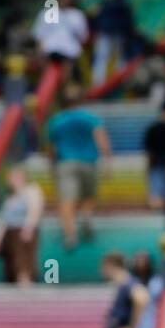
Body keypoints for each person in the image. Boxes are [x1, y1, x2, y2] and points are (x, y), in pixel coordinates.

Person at [46, 84, 111, 250]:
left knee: (67, 200)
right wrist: (107, 160)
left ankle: (70, 234)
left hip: (66, 163)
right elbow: (101, 140)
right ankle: (87, 217)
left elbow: (51, 148)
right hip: (88, 162)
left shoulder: (56, 121)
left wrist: (52, 165)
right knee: (89, 196)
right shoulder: (90, 118)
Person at [0, 166, 44, 285]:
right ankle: (13, 282)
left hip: (22, 231)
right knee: (10, 263)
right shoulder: (9, 198)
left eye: (16, 177)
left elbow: (34, 210)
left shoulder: (31, 190)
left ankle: (25, 281)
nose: (13, 180)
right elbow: (3, 220)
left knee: (22, 259)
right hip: (10, 232)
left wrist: (28, 227)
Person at [32, 0, 89, 74]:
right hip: (49, 52)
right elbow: (39, 36)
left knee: (68, 64)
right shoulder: (46, 13)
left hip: (69, 53)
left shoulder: (77, 15)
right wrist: (40, 52)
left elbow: (83, 37)